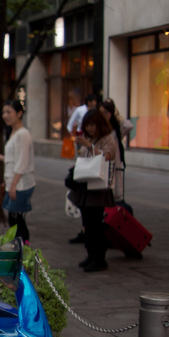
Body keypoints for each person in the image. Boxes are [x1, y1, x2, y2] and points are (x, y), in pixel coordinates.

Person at [71, 109, 119, 273]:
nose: (90, 128)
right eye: (87, 125)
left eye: (92, 124)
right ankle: (91, 255)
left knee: (95, 223)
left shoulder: (108, 139)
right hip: (86, 185)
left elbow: (107, 157)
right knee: (87, 223)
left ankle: (99, 258)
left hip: (98, 187)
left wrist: (88, 146)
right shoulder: (89, 139)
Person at [0, 100, 35, 245]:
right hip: (15, 184)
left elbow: (22, 163)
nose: (5, 116)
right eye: (4, 112)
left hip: (20, 185)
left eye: (9, 112)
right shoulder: (14, 132)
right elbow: (14, 159)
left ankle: (23, 251)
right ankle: (20, 250)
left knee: (17, 221)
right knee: (15, 221)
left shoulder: (22, 134)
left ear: (19, 113)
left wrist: (13, 185)